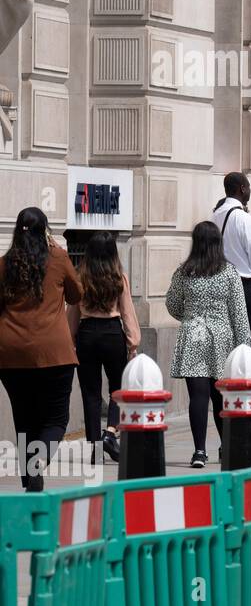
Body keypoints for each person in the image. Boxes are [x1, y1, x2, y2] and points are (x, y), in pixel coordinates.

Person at [0, 208, 81, 491]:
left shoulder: (4, 263)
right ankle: (38, 462)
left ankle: (31, 482)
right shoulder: (57, 258)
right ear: (45, 230)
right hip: (54, 353)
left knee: (24, 419)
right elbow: (76, 294)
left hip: (11, 355)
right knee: (56, 418)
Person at [166, 221, 251, 469]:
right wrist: (245, 346)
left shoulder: (185, 272)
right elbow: (239, 313)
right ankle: (227, 446)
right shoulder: (228, 273)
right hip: (222, 337)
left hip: (193, 335)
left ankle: (199, 451)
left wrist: (189, 317)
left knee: (198, 397)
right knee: (220, 397)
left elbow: (172, 304)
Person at [67, 231, 140, 464]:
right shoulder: (119, 277)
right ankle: (110, 433)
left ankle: (95, 446)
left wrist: (70, 340)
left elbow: (73, 313)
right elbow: (127, 312)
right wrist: (133, 342)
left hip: (87, 334)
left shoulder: (81, 277)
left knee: (91, 393)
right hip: (111, 333)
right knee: (118, 389)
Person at [212, 172, 251, 375]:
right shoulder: (242, 217)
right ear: (242, 188)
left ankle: (233, 382)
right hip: (247, 285)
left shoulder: (215, 215)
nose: (249, 191)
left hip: (222, 284)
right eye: (248, 187)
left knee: (233, 338)